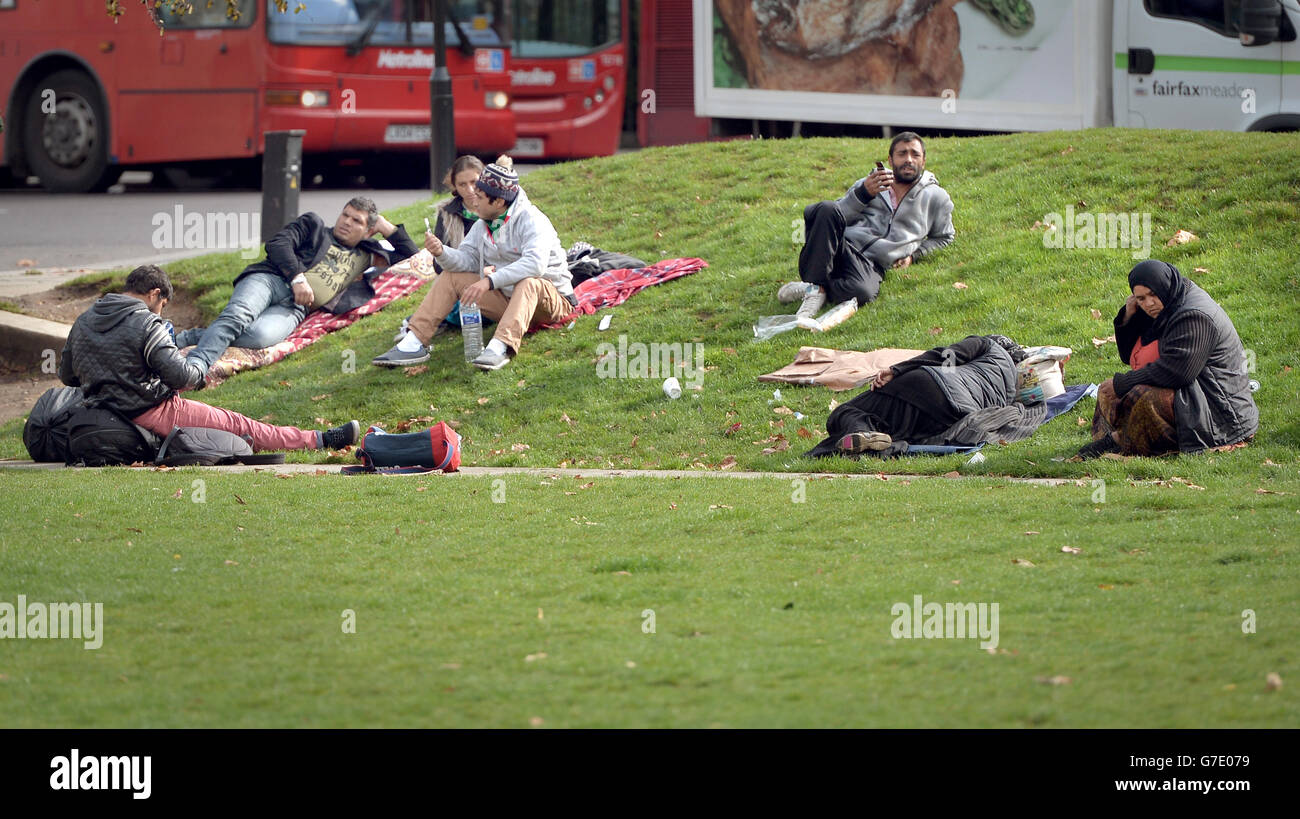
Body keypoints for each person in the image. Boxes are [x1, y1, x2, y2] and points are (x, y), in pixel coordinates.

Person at [59, 265, 360, 452]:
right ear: (154, 294)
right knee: (240, 425)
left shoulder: (84, 321)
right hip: (149, 410)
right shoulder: (147, 323)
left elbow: (68, 376)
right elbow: (182, 378)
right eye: (162, 304)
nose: (160, 312)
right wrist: (201, 366)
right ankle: (321, 439)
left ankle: (318, 439)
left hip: (100, 409)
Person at [176, 197, 419, 376]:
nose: (346, 222)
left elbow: (415, 257)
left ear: (368, 231)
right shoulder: (313, 226)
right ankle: (196, 367)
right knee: (238, 315)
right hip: (270, 280)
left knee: (260, 337)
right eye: (345, 215)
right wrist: (298, 278)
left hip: (296, 309)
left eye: (356, 220)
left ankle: (188, 337)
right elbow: (278, 243)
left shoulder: (368, 253)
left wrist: (387, 227)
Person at [381, 161, 575, 371]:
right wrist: (441, 252)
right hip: (510, 303)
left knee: (529, 282)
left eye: (480, 197)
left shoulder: (532, 220)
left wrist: (489, 282)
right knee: (451, 276)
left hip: (552, 304)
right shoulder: (483, 224)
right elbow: (466, 259)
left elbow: (535, 265)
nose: (474, 202)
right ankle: (414, 342)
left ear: (499, 200)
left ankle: (499, 348)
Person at [1077, 260, 1257, 458]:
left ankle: (1123, 443)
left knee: (1146, 397)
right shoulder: (1169, 301)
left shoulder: (1194, 316)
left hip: (1219, 412)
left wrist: (1124, 382)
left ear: (1164, 286)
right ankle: (1116, 440)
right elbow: (1129, 356)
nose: (1149, 303)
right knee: (1107, 392)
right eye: (1141, 298)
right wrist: (1129, 317)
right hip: (1194, 391)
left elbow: (1179, 372)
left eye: (1153, 295)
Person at [781, 131, 955, 319]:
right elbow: (835, 216)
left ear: (923, 161)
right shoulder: (870, 183)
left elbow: (944, 237)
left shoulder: (937, 197)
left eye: (915, 154)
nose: (909, 159)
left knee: (863, 293)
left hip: (871, 264)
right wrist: (863, 194)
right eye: (902, 154)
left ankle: (813, 288)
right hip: (841, 248)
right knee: (825, 208)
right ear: (890, 160)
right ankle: (815, 288)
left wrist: (914, 255)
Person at [808, 335, 1025, 457]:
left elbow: (947, 356)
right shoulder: (1011, 391)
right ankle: (878, 441)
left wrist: (897, 370)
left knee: (846, 411)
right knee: (900, 425)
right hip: (954, 417)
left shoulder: (988, 345)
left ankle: (861, 433)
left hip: (930, 385)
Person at [373, 154, 487, 367]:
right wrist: (439, 252)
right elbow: (438, 267)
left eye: (474, 182)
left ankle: (423, 326)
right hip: (461, 281)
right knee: (457, 295)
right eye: (463, 184)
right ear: (454, 186)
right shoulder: (448, 214)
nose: (470, 190)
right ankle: (418, 334)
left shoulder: (496, 207)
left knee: (460, 308)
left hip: (492, 281)